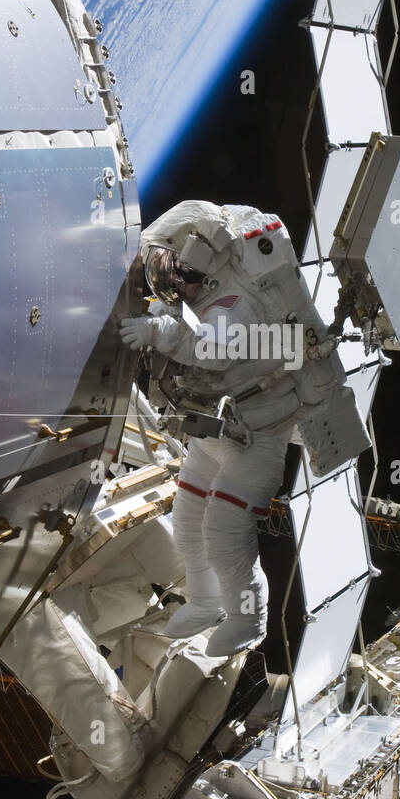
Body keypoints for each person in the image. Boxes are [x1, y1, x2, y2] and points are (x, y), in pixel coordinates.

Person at [119, 201, 301, 657]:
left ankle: (247, 618)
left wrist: (159, 332)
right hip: (217, 429)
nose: (171, 285)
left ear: (202, 258)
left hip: (255, 439)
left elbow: (216, 349)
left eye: (173, 272)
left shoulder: (238, 302)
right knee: (186, 523)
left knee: (222, 533)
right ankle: (204, 600)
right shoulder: (215, 288)